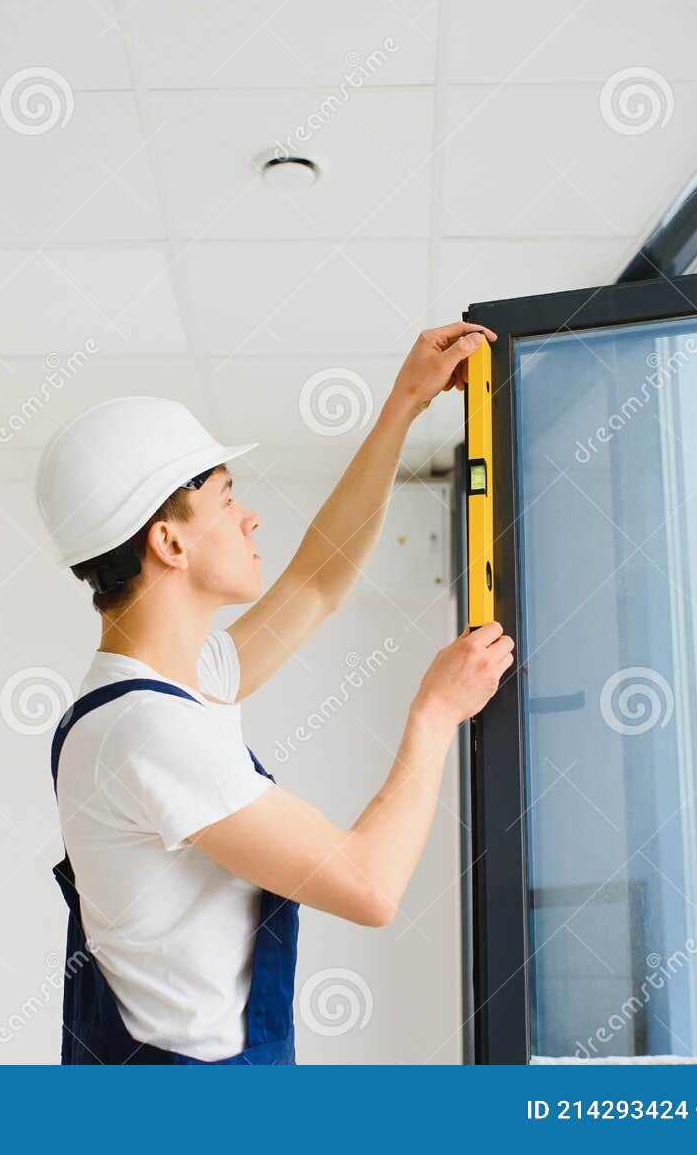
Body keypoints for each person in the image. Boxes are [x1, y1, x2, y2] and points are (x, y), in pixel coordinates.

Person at [33, 321, 514, 1065]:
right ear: (170, 542)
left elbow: (317, 581)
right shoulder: (149, 730)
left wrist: (404, 404)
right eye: (227, 499)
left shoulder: (158, 694)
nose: (251, 516)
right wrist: (436, 712)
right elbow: (369, 885)